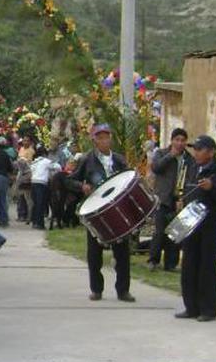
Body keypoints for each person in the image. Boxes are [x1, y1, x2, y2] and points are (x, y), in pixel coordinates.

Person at [69, 123, 136, 303]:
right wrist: (81, 187)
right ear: (94, 140)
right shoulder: (86, 160)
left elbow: (128, 180)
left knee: (122, 253)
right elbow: (71, 180)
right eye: (100, 137)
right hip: (96, 212)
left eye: (107, 137)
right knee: (94, 253)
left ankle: (123, 291)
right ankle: (96, 289)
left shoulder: (119, 160)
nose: (104, 140)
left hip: (117, 211)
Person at [175, 135, 216, 322]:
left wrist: (213, 188)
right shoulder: (192, 168)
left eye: (200, 149)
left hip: (210, 224)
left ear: (211, 152)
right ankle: (191, 307)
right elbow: (185, 190)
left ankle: (208, 310)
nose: (196, 152)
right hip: (190, 223)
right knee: (189, 266)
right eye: (195, 149)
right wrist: (181, 202)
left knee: (207, 268)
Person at [148, 128, 192, 271]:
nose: (180, 143)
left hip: (179, 199)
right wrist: (170, 156)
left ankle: (171, 263)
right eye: (177, 140)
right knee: (159, 231)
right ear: (172, 141)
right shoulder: (161, 153)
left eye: (182, 140)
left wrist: (185, 197)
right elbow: (156, 168)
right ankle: (153, 260)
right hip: (163, 197)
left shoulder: (188, 158)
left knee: (175, 233)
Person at [29, 146, 60, 230]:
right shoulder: (46, 161)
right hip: (41, 183)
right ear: (44, 154)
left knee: (36, 203)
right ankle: (39, 224)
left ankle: (35, 222)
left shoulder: (34, 162)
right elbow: (57, 167)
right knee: (41, 204)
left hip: (33, 182)